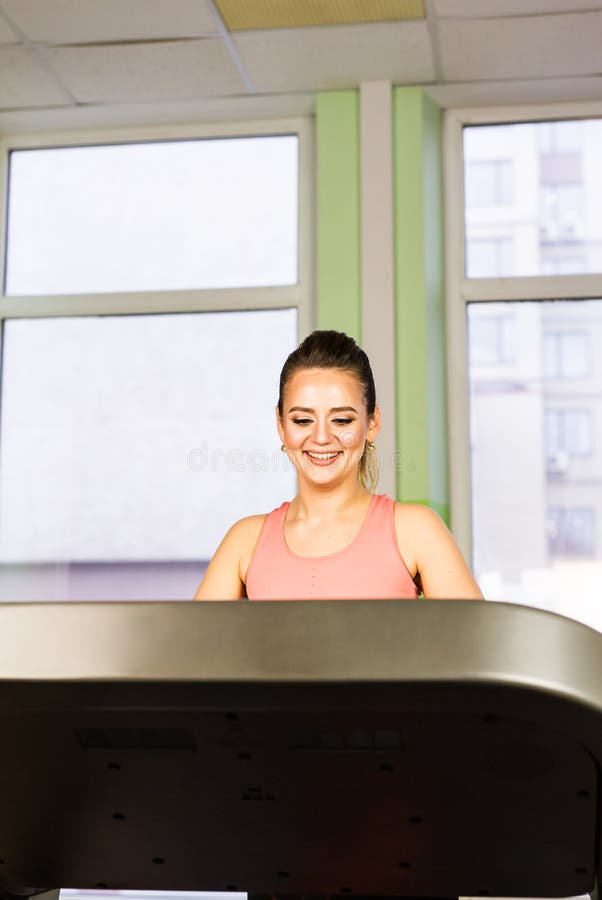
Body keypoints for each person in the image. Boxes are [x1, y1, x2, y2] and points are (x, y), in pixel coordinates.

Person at [194, 330, 483, 601]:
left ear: (373, 423)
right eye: (302, 420)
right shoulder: (245, 541)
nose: (321, 438)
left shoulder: (416, 530)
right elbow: (189, 649)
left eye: (342, 420)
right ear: (281, 426)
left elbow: (481, 644)